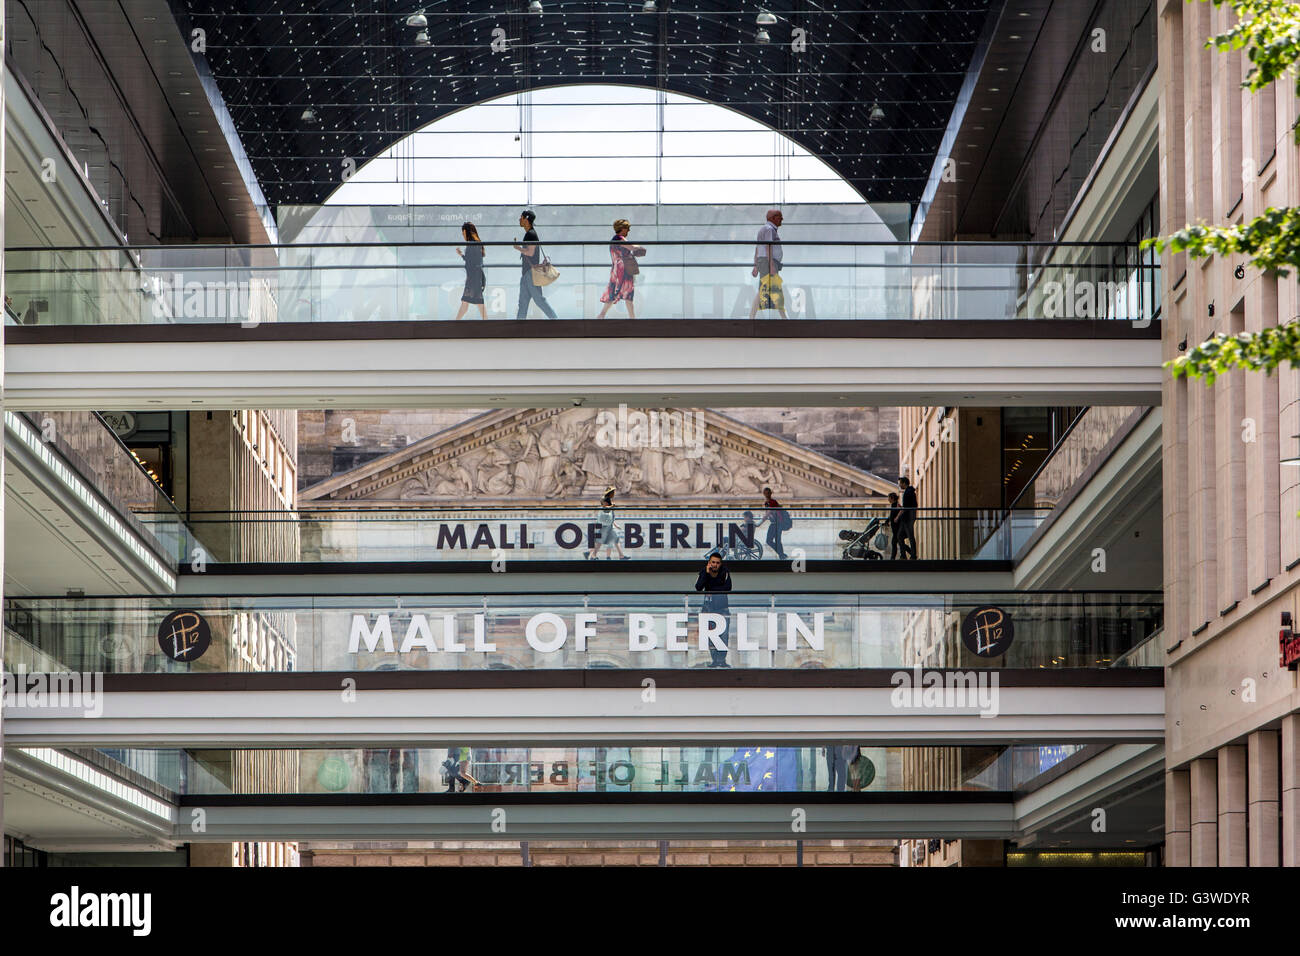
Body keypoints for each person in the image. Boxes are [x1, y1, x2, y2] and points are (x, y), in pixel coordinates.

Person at [596, 218, 645, 319]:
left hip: (616, 269)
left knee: (614, 292)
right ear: (622, 229)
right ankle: (632, 319)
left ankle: (602, 315)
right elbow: (632, 247)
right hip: (623, 270)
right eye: (627, 228)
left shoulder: (614, 239)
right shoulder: (619, 239)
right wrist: (639, 247)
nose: (628, 231)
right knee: (628, 293)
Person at [513, 209, 557, 319]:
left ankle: (556, 321)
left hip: (530, 275)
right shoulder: (529, 234)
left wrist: (517, 248)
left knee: (539, 301)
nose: (519, 219)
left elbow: (530, 252)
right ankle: (519, 328)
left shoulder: (531, 234)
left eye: (521, 217)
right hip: (526, 274)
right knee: (523, 304)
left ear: (526, 219)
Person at [695, 551, 733, 667]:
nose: (715, 565)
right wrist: (706, 574)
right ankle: (715, 660)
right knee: (711, 636)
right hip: (708, 609)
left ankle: (721, 660)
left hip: (722, 609)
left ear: (720, 564)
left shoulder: (725, 572)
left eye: (717, 563)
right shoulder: (704, 572)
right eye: (713, 562)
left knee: (724, 636)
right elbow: (698, 587)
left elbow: (727, 588)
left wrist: (711, 585)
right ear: (709, 563)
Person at [749, 209, 788, 319]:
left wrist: (756, 265)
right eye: (779, 217)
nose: (782, 219)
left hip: (765, 262)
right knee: (768, 289)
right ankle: (752, 317)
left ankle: (783, 318)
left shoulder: (764, 229)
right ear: (773, 218)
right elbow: (768, 247)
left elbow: (758, 248)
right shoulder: (769, 229)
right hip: (768, 263)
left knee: (771, 289)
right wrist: (771, 265)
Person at [454, 221, 487, 320]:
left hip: (473, 278)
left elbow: (472, 262)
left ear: (466, 232)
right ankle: (455, 323)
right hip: (475, 277)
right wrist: (462, 255)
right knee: (471, 302)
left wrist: (469, 277)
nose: (463, 235)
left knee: (472, 303)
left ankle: (455, 324)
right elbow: (473, 260)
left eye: (463, 233)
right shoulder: (476, 243)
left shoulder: (472, 244)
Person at [587, 487, 627, 560]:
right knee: (599, 542)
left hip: (608, 525)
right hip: (604, 525)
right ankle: (592, 555)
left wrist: (615, 524)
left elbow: (610, 515)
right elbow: (605, 508)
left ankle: (621, 556)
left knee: (616, 539)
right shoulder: (605, 499)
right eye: (613, 492)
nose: (614, 493)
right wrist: (612, 506)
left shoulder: (609, 500)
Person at [755, 486, 788, 560]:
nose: (767, 495)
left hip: (777, 523)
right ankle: (781, 554)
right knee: (771, 541)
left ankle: (781, 555)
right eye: (766, 493)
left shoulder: (771, 502)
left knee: (776, 540)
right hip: (774, 523)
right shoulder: (768, 502)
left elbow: (768, 514)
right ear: (764, 494)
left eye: (768, 493)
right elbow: (768, 513)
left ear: (770, 493)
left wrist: (759, 523)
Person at [896, 476, 918, 560]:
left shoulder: (907, 492)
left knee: (908, 536)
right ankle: (906, 555)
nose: (899, 485)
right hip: (909, 517)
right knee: (901, 536)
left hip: (907, 518)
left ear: (904, 483)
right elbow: (910, 506)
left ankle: (910, 555)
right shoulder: (910, 492)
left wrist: (898, 516)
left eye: (900, 483)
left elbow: (906, 508)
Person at [887, 491, 903, 559]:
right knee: (898, 542)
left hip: (897, 527)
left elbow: (901, 511)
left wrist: (896, 518)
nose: (888, 499)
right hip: (895, 527)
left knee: (895, 542)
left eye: (889, 498)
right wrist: (887, 521)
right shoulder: (893, 505)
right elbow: (891, 515)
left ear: (892, 498)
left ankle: (893, 558)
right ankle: (894, 557)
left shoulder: (896, 505)